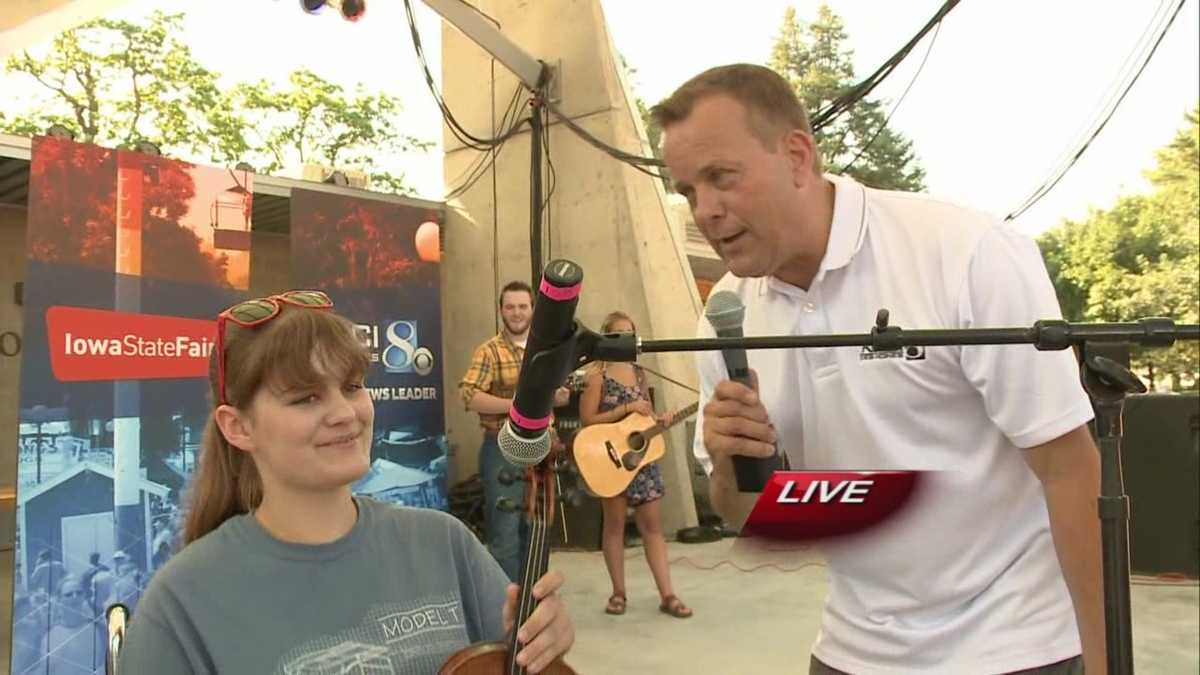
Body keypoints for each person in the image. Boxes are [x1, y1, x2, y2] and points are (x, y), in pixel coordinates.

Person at [653, 64, 1104, 674]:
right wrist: (732, 469)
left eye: (720, 178)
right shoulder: (728, 319)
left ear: (796, 155)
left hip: (1016, 647)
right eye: (687, 191)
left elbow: (1069, 467)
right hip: (853, 650)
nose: (704, 209)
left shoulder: (963, 252)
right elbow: (755, 516)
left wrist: (1105, 659)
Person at [119, 290, 574, 673]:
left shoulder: (445, 544)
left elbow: (519, 652)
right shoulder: (180, 604)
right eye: (306, 397)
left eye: (352, 386)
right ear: (238, 427)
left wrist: (543, 642)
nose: (345, 413)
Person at [577, 311, 692, 620]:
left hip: (643, 459)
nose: (627, 339)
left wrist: (660, 420)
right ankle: (618, 593)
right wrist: (626, 407)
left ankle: (668, 594)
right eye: (620, 334)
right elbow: (588, 420)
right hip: (611, 460)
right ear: (607, 337)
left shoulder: (640, 373)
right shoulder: (596, 376)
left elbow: (644, 419)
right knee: (613, 527)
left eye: (631, 333)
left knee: (652, 528)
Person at [459, 280, 569, 581]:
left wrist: (558, 395)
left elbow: (561, 394)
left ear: (533, 309)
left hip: (542, 448)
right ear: (501, 311)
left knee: (538, 530)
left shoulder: (547, 351)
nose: (517, 313)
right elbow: (469, 396)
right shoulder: (489, 351)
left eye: (523, 306)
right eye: (510, 307)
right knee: (504, 534)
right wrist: (517, 406)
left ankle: (534, 601)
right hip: (501, 448)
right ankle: (507, 606)